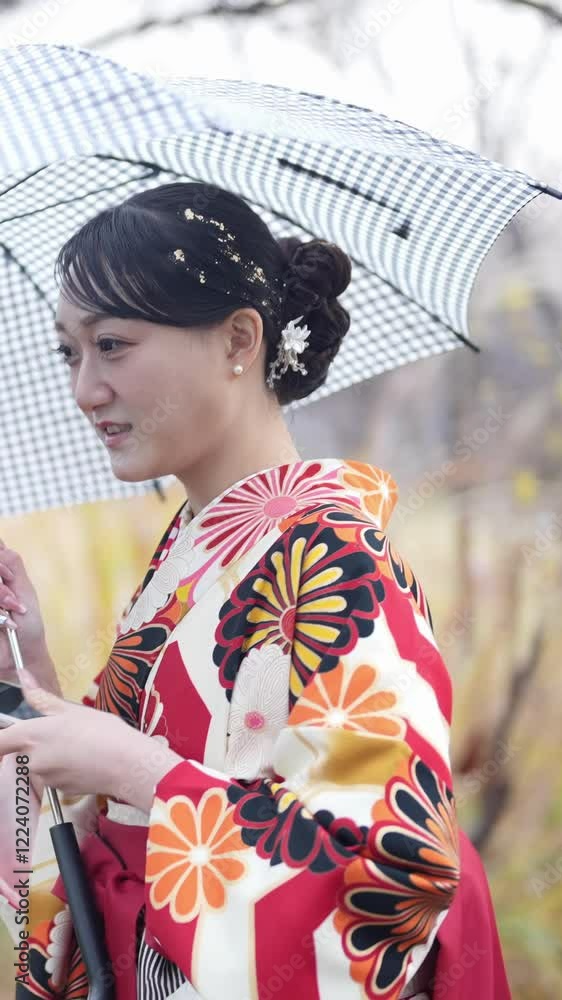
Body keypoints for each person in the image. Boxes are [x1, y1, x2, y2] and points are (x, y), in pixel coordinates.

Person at [0, 182, 510, 999]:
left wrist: (140, 772)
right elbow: (103, 796)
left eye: (114, 345)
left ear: (240, 338)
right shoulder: (196, 546)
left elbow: (386, 869)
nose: (85, 389)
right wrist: (29, 676)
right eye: (70, 351)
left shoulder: (337, 559)